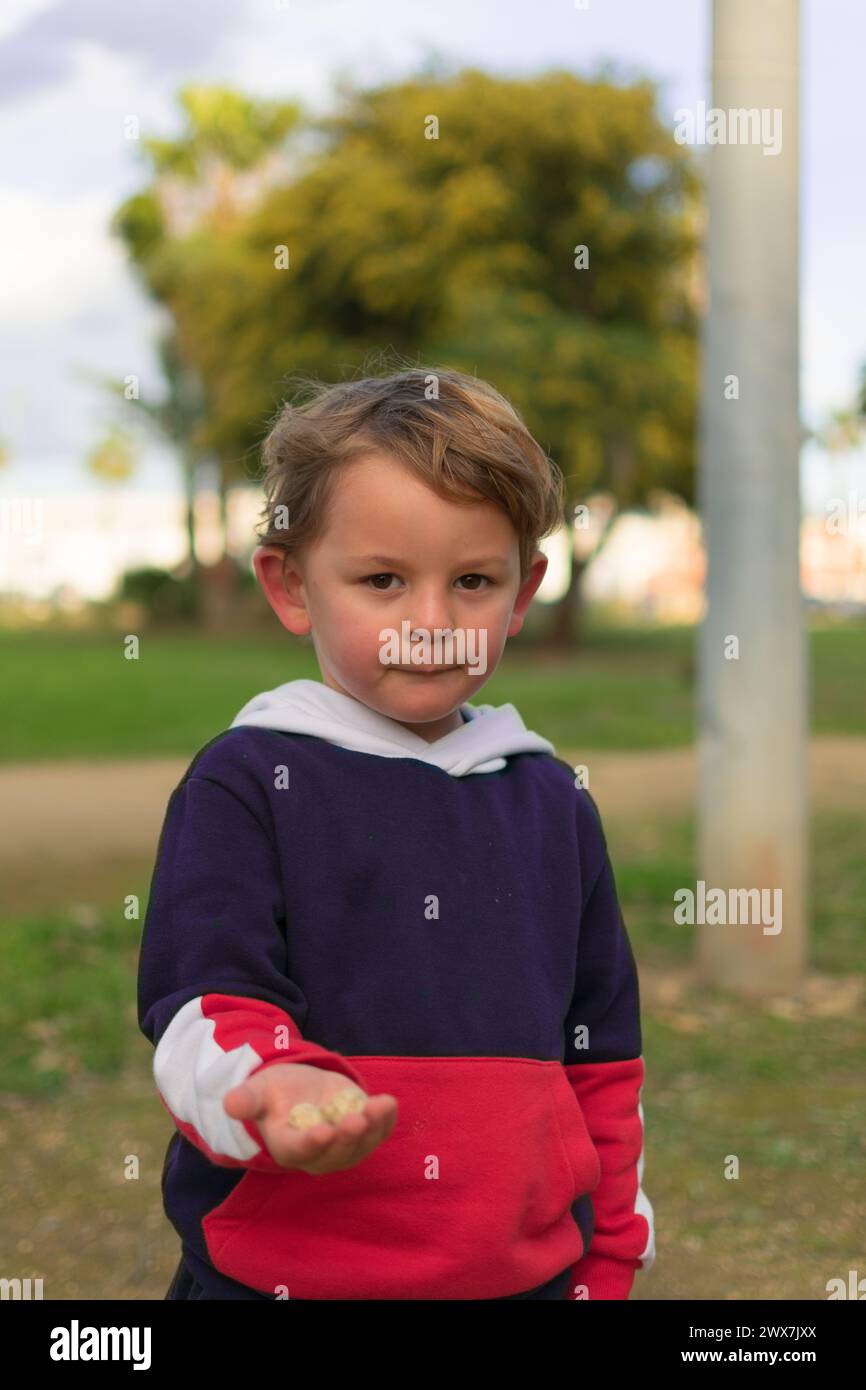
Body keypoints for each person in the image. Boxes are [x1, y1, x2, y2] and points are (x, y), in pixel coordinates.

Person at [138, 365, 655, 1301]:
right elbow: (201, 1008)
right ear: (292, 586)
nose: (430, 623)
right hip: (283, 1282)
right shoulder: (247, 783)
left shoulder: (552, 800)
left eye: (472, 582)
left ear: (523, 591)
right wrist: (273, 1089)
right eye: (382, 580)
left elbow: (603, 1059)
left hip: (523, 1283)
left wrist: (610, 1253)